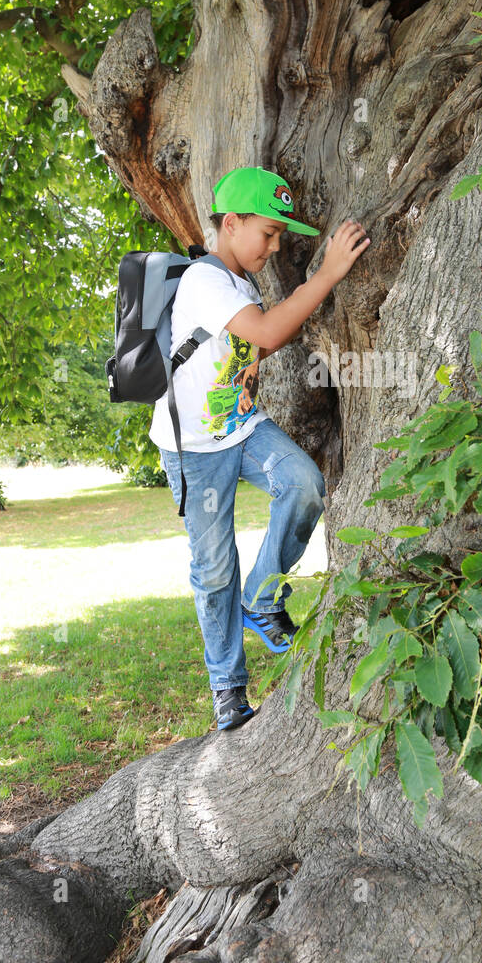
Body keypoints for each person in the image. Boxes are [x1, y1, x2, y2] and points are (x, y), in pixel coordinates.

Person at [150, 166, 370, 730]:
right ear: (231, 223)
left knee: (303, 485)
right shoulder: (205, 280)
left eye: (279, 237)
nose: (274, 247)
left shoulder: (240, 285)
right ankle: (227, 687)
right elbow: (269, 333)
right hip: (194, 449)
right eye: (267, 233)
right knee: (214, 568)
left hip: (242, 429)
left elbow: (249, 347)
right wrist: (326, 275)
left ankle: (263, 598)